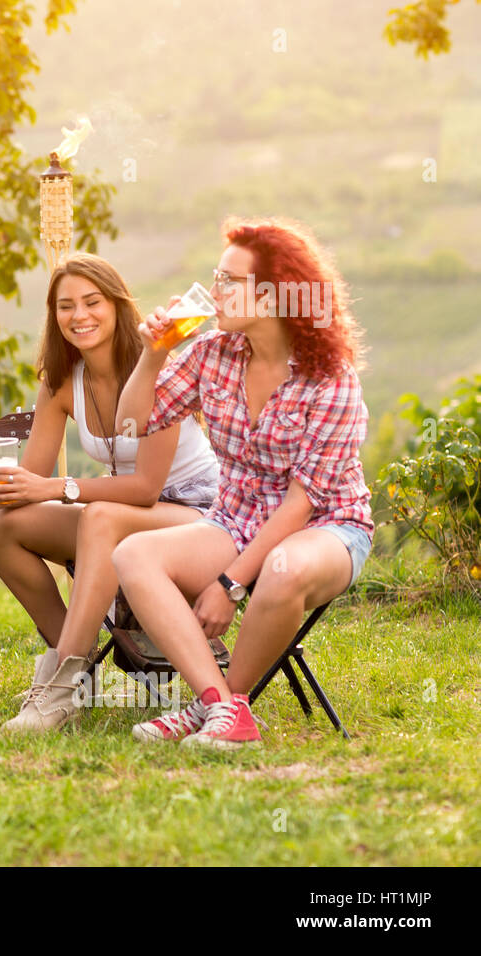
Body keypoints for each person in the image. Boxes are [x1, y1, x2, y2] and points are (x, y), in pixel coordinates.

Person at [112, 217, 373, 750]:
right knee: (135, 554)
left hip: (327, 527)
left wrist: (229, 585)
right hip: (236, 519)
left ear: (277, 293)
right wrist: (154, 352)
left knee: (282, 567)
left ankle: (223, 708)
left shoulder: (331, 378)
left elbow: (302, 504)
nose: (215, 292)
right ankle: (220, 707)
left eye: (231, 281)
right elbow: (132, 422)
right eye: (217, 276)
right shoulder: (212, 354)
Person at [0, 254, 221, 734]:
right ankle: (76, 661)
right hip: (124, 512)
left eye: (92, 302)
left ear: (117, 306)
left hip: (198, 514)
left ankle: (60, 689)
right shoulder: (62, 380)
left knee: (100, 517)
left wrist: (56, 489)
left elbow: (146, 488)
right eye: (66, 306)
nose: (79, 315)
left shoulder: (156, 367)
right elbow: (32, 479)